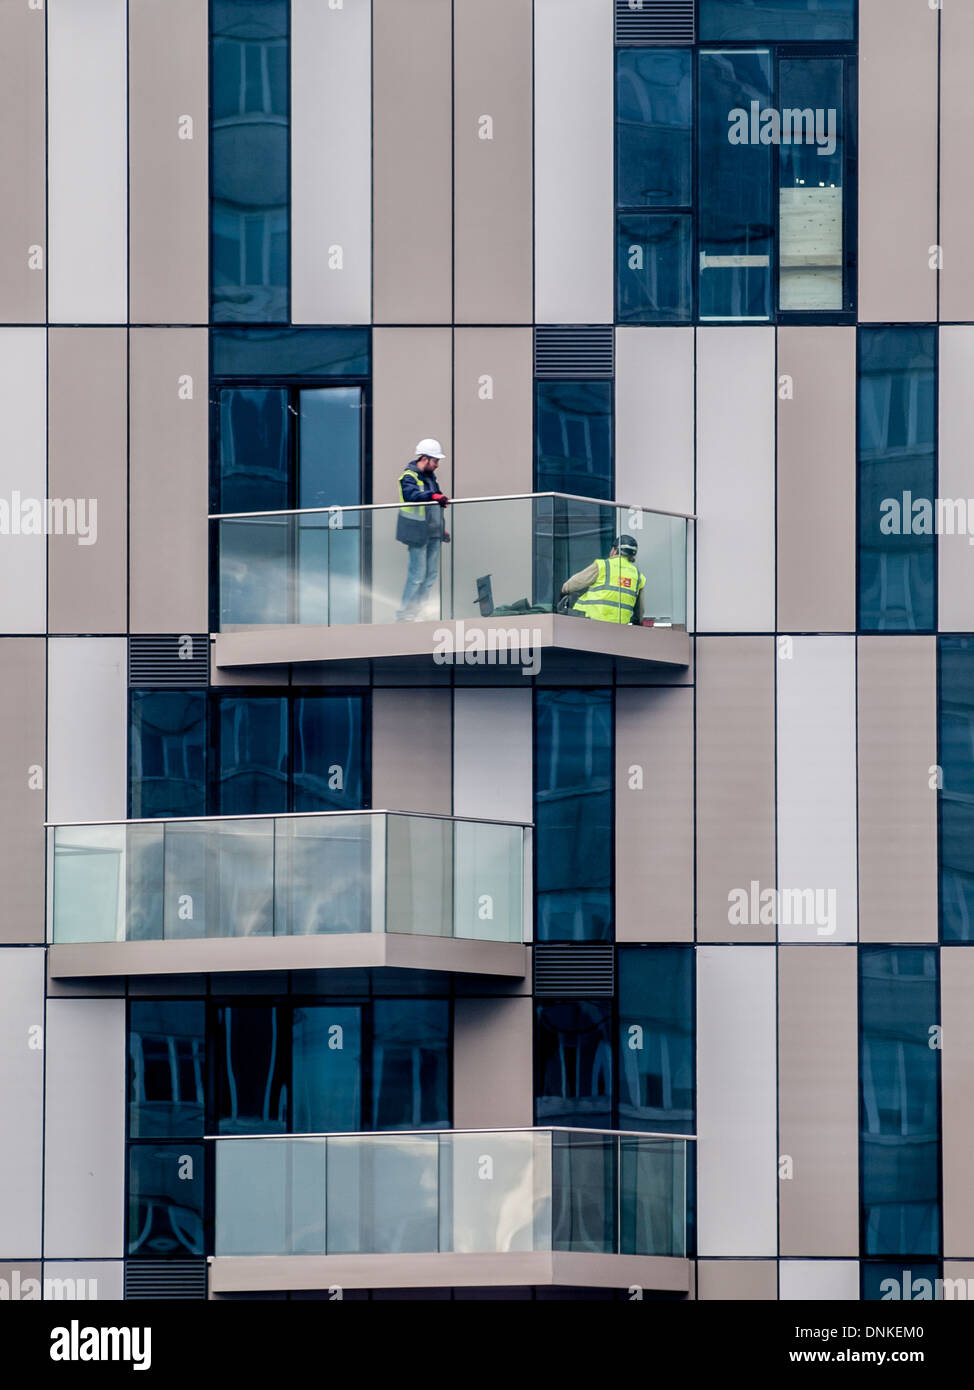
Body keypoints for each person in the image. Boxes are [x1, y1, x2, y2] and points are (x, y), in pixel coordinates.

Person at [395, 438, 450, 621]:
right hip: (416, 533)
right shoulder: (409, 476)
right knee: (417, 576)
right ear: (425, 459)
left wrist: (441, 528)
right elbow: (412, 495)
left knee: (430, 576)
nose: (437, 465)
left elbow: (435, 505)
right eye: (435, 461)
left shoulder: (430, 478)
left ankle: (419, 612)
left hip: (432, 533)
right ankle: (405, 614)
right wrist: (433, 495)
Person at [561, 534, 646, 624]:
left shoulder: (603, 566)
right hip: (619, 627)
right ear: (633, 556)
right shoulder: (638, 577)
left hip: (589, 621)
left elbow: (569, 586)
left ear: (614, 550)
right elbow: (640, 611)